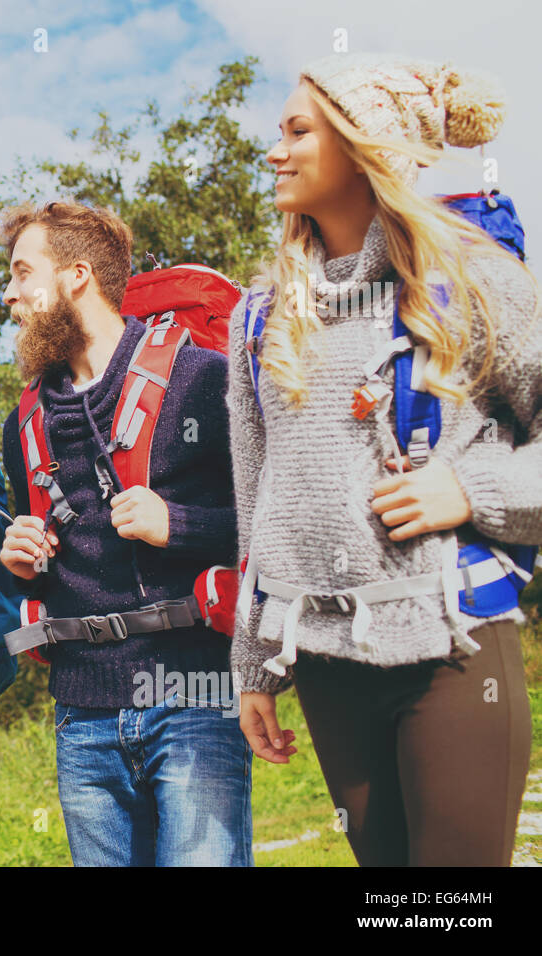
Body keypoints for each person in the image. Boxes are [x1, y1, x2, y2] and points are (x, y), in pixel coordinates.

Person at [228, 54, 542, 866]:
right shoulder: (260, 315)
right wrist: (255, 663)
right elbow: (256, 493)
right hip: (327, 658)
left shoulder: (472, 278)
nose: (275, 151)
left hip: (454, 646)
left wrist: (470, 490)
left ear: (367, 145)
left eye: (299, 131)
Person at [0, 201, 252, 866]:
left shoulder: (204, 381)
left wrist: (181, 524)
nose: (11, 294)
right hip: (80, 713)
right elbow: (44, 567)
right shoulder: (21, 423)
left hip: (194, 700)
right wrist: (20, 562)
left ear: (77, 275)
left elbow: (270, 531)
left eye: (24, 274)